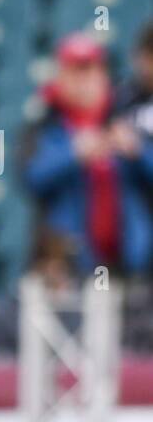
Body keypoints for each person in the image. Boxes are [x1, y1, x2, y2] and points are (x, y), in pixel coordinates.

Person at [20, 33, 153, 277]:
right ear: (61, 77)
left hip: (132, 264)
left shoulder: (130, 116)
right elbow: (32, 178)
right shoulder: (45, 123)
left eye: (91, 70)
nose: (84, 81)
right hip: (70, 265)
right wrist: (74, 152)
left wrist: (138, 151)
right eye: (76, 71)